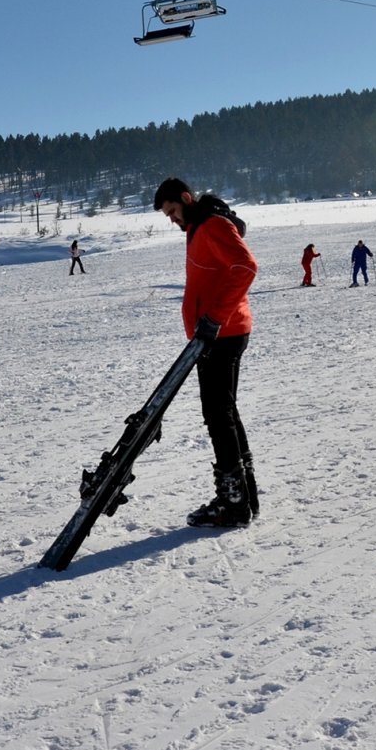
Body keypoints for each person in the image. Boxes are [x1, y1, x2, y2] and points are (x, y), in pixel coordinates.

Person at [153, 177, 260, 528]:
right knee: (224, 411)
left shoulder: (212, 224)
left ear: (185, 199)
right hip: (220, 332)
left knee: (217, 414)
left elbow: (245, 267)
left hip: (223, 333)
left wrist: (213, 318)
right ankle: (244, 495)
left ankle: (233, 502)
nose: (171, 219)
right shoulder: (199, 225)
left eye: (172, 211)